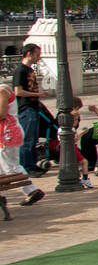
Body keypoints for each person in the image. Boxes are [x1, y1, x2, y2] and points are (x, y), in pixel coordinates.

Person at [0, 81, 45, 206]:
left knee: (11, 166)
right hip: (8, 132)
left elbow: (2, 114)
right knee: (6, 165)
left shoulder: (2, 91)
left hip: (8, 132)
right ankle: (4, 196)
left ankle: (31, 191)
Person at [11, 43, 53, 172]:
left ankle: (32, 164)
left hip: (34, 107)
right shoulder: (20, 70)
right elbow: (18, 91)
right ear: (29, 53)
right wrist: (39, 94)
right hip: (26, 108)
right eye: (37, 55)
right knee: (27, 139)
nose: (39, 58)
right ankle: (27, 167)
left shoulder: (29, 70)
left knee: (33, 138)